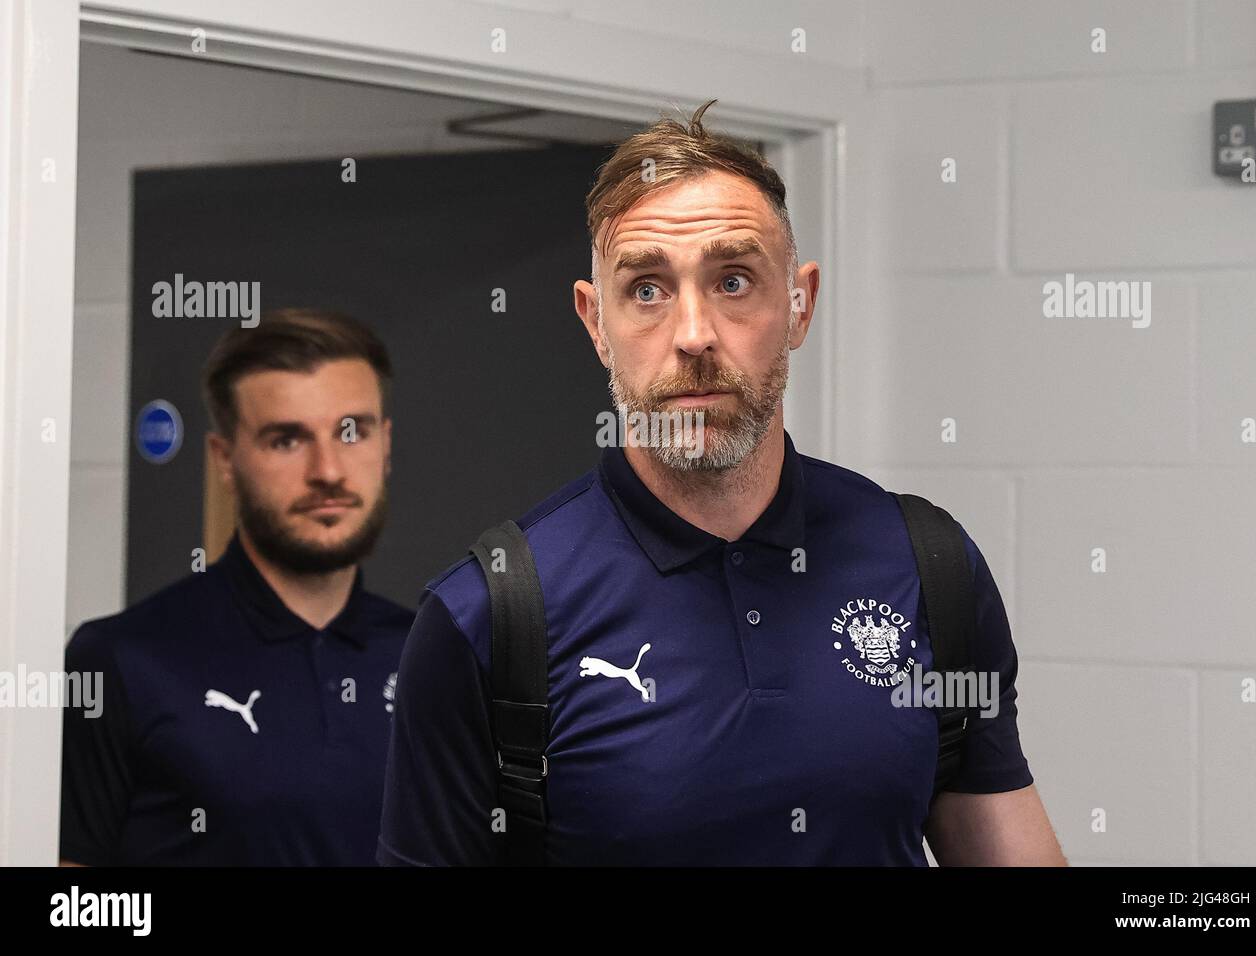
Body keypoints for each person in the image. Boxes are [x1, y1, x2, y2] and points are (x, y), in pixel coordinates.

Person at [378, 102, 1066, 866]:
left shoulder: (928, 564)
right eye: (646, 288)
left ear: (799, 304)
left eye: (734, 280)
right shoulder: (487, 617)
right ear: (594, 321)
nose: (695, 333)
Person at [60, 308, 413, 866]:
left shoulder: (435, 654)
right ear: (225, 461)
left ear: (384, 444)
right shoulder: (118, 661)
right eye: (286, 440)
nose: (328, 470)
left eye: (352, 431)